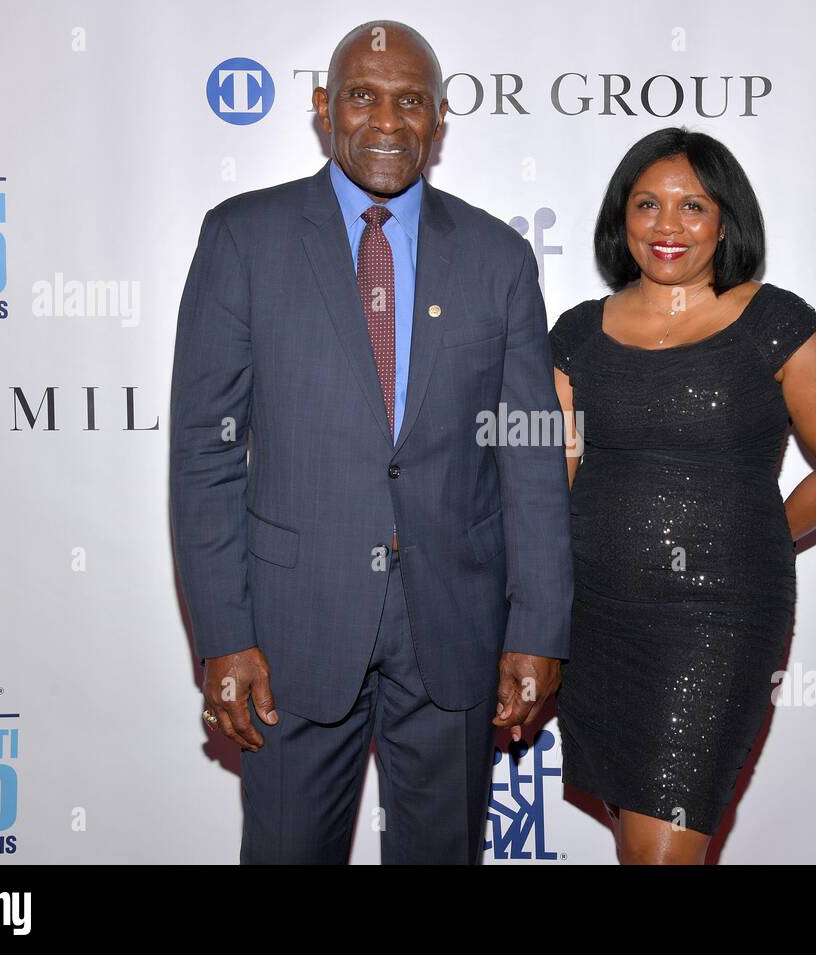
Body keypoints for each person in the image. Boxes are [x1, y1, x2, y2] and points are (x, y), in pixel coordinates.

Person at [168, 20, 572, 864]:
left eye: (410, 101)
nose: (386, 121)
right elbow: (206, 452)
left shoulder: (498, 258)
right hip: (289, 630)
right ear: (323, 108)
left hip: (454, 625)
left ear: (440, 118)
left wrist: (537, 629)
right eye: (362, 96)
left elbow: (530, 456)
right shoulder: (245, 237)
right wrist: (222, 633)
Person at [549, 127, 816, 864]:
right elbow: (552, 483)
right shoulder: (576, 335)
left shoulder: (776, 324)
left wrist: (749, 541)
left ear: (726, 219)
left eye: (692, 206)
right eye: (647, 204)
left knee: (663, 849)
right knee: (641, 845)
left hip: (717, 623)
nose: (667, 226)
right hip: (594, 617)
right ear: (619, 217)